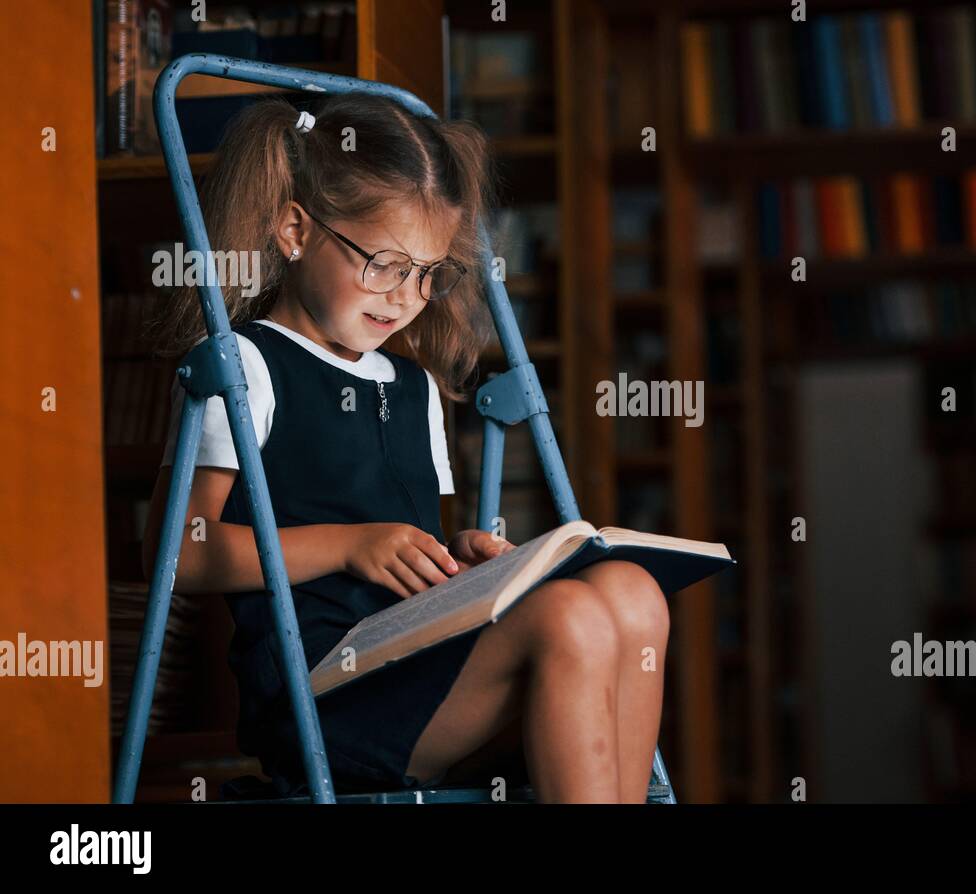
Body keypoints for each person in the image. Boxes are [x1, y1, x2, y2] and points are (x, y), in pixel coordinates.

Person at [140, 94, 669, 804]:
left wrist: (465, 565)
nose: (406, 297)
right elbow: (179, 551)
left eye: (429, 272)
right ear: (295, 230)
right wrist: (352, 545)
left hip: (422, 662)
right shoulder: (246, 365)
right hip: (325, 694)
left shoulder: (415, 388)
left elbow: (417, 551)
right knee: (569, 617)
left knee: (633, 594)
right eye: (385, 263)